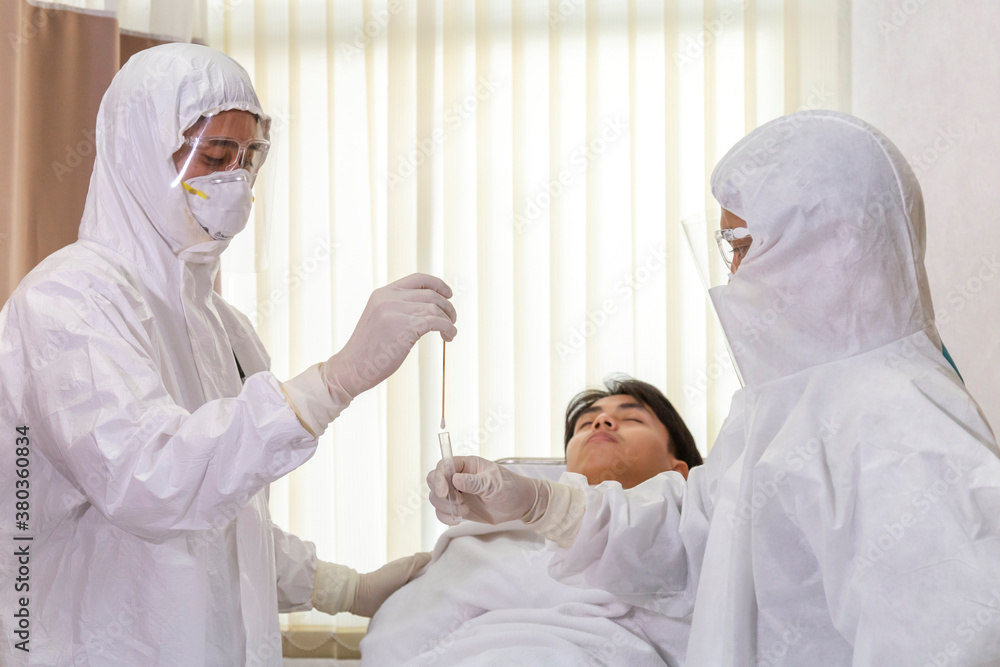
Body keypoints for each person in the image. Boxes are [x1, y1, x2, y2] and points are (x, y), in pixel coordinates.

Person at [429, 110, 1000, 665]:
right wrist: (540, 502)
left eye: (744, 244)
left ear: (834, 242)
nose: (733, 274)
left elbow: (951, 640)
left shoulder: (898, 424)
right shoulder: (783, 407)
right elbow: (691, 540)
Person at [0, 44, 456, 666]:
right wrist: (335, 380)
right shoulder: (70, 301)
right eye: (215, 156)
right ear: (138, 151)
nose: (235, 180)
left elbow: (222, 520)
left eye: (249, 158)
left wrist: (350, 589)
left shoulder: (222, 325)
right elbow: (151, 483)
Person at [364, 377, 701, 666]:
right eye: (586, 423)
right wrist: (352, 592)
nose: (601, 423)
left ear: (678, 469)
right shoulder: (486, 538)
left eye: (632, 419)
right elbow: (394, 644)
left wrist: (541, 504)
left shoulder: (696, 524)